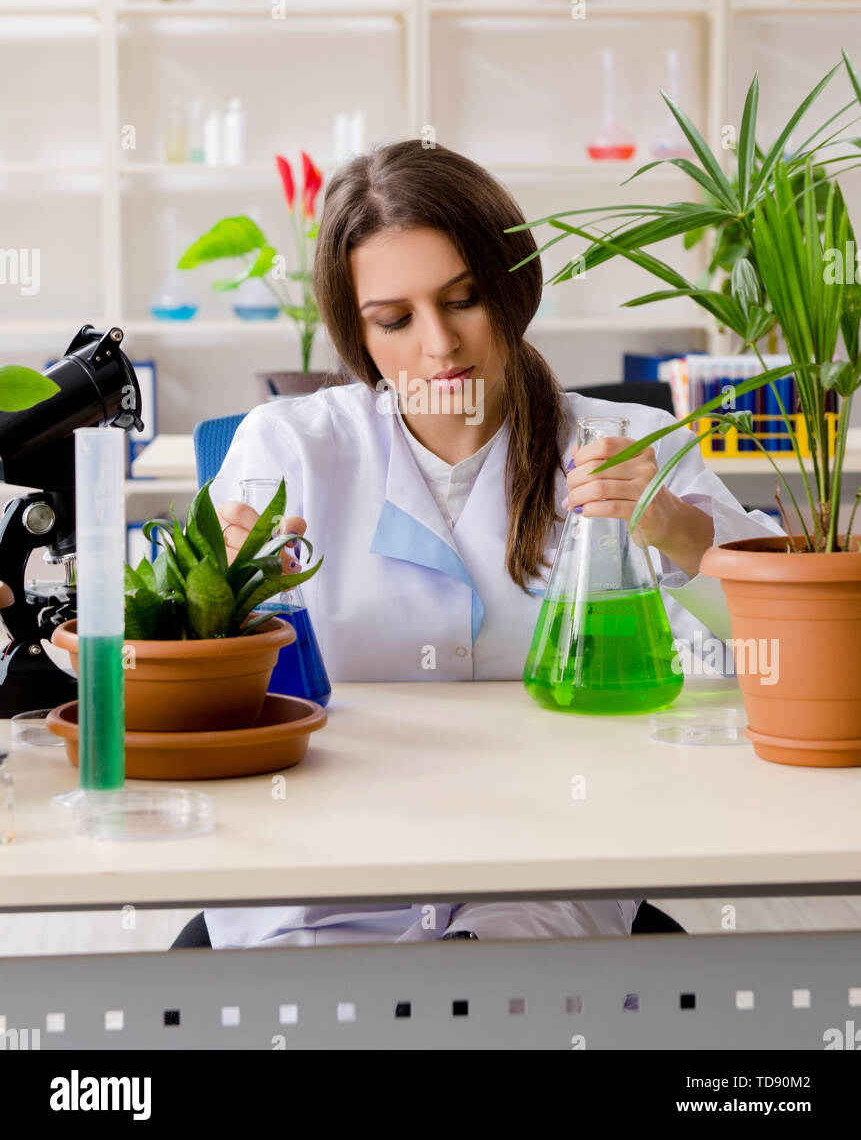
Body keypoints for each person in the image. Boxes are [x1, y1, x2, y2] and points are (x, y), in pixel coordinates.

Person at [180, 139, 783, 951]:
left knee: (520, 984)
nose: (438, 346)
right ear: (356, 333)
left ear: (512, 289)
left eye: (462, 300)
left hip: (554, 849)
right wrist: (212, 599)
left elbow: (784, 641)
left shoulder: (628, 442)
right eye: (393, 319)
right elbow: (177, 669)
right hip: (325, 854)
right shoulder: (289, 450)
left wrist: (675, 529)